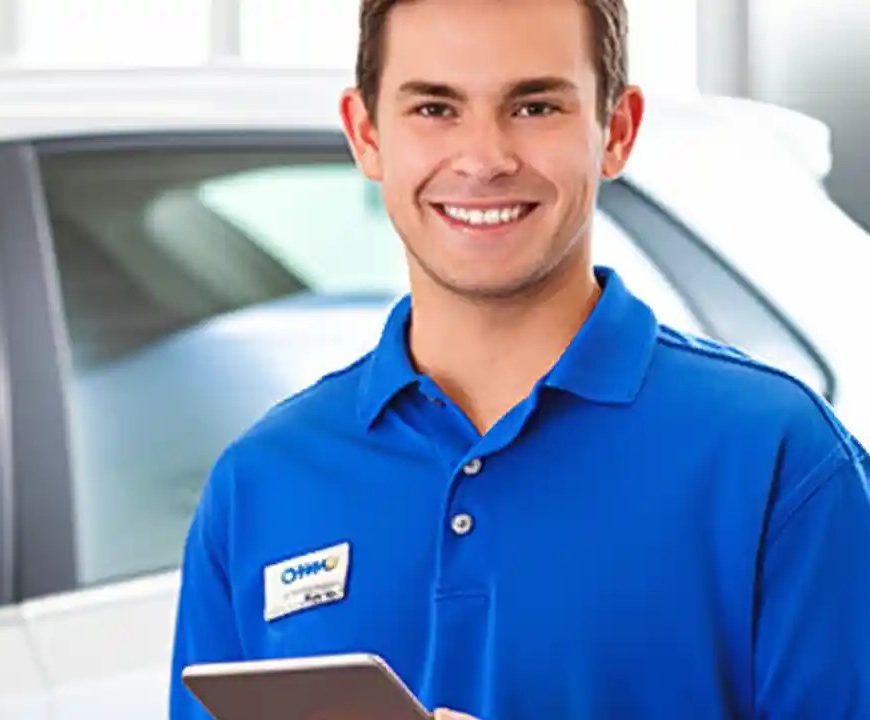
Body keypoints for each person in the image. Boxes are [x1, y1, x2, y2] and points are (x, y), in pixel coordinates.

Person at [169, 0, 870, 717]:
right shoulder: (261, 485)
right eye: (436, 109)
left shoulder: (779, 459)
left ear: (616, 132)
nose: (483, 159)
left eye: (533, 107)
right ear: (366, 133)